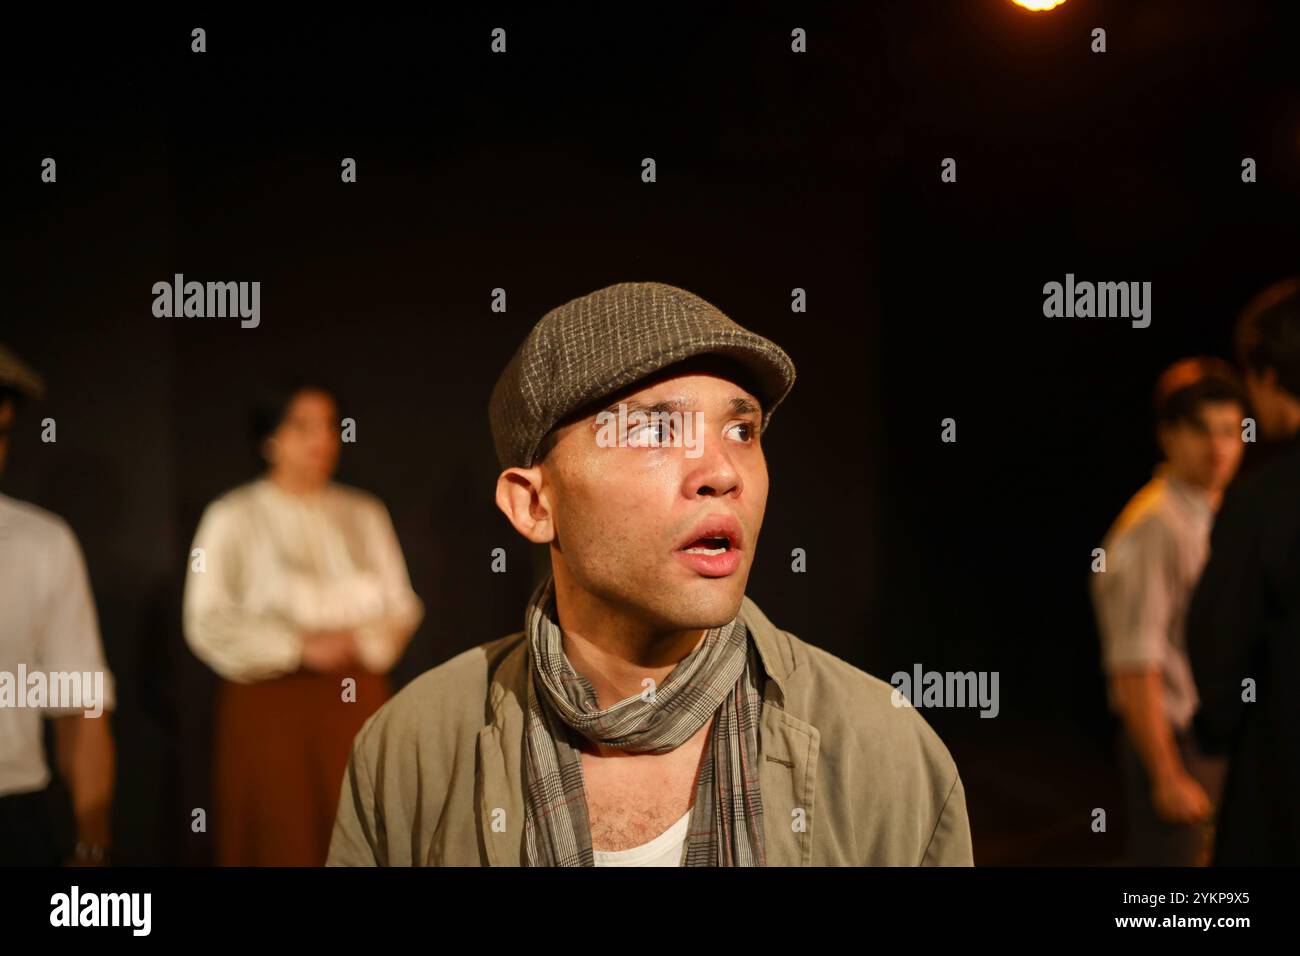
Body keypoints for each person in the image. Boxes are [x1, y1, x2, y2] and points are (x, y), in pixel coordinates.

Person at [328, 281, 973, 866]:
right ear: (533, 502)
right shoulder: (409, 750)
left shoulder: (884, 751)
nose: (723, 472)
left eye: (742, 429)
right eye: (659, 429)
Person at [183, 382, 423, 865]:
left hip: (354, 698)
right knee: (278, 834)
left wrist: (359, 641)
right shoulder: (233, 516)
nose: (322, 440)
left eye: (330, 426)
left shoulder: (363, 512)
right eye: (303, 426)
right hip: (270, 703)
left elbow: (402, 604)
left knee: (357, 828)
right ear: (271, 438)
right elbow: (206, 617)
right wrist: (295, 646)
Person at [1091, 357, 1247, 865]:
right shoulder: (1156, 524)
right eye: (1202, 431)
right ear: (1169, 436)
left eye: (1230, 430)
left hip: (1212, 743)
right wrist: (1166, 773)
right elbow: (1135, 660)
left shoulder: (1211, 513)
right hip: (1173, 742)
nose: (1218, 448)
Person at [1188, 277, 1300, 865]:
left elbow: (1219, 640)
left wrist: (1213, 730)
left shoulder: (1263, 503)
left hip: (1280, 776)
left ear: (1267, 376)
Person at [0, 344, 117, 866]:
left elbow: (79, 705)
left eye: (0, 433)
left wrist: (92, 839)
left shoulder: (41, 543)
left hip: (13, 812)